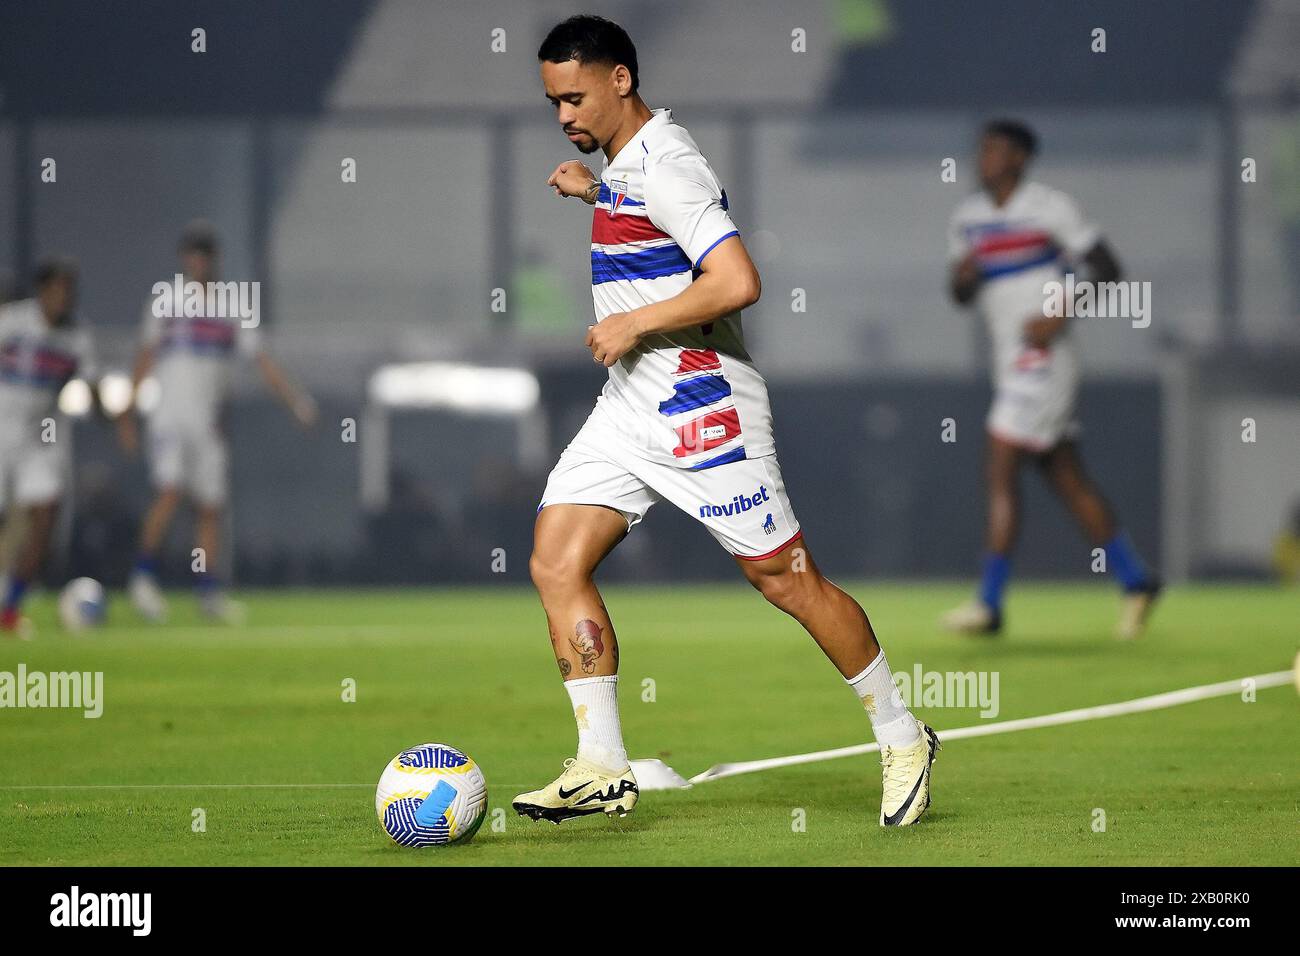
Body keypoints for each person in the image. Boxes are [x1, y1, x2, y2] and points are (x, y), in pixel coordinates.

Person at [512, 15, 939, 828]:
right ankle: (602, 762)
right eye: (552, 102)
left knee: (785, 580)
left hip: (702, 404)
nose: (564, 114)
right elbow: (651, 230)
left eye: (574, 96)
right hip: (630, 408)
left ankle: (903, 733)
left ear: (620, 81)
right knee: (555, 561)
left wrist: (635, 325)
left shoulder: (670, 162)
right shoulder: (628, 166)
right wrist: (594, 192)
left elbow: (737, 279)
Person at [942, 120, 1160, 639]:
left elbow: (1107, 267)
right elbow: (960, 296)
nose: (983, 158)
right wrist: (963, 279)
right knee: (1065, 476)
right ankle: (1136, 580)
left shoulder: (1050, 207)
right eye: (980, 149)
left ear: (1019, 158)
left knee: (1000, 460)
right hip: (1008, 361)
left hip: (1043, 359)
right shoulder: (968, 218)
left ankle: (989, 602)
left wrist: (1062, 311)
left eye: (995, 149)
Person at [119, 221, 317, 622]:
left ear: (215, 258)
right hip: (170, 418)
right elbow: (144, 358)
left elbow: (261, 361)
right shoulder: (166, 301)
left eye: (205, 253)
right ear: (183, 258)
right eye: (193, 253)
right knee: (170, 491)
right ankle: (142, 581)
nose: (199, 261)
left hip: (208, 424)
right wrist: (128, 412)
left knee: (211, 506)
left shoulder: (230, 307)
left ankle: (207, 592)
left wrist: (296, 401)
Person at [0, 258, 95, 636]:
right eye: (57, 288)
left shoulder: (77, 336)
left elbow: (88, 383)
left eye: (69, 289)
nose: (64, 297)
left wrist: (114, 415)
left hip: (43, 432)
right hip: (3, 426)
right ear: (42, 291)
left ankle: (10, 609)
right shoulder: (12, 323)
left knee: (45, 513)